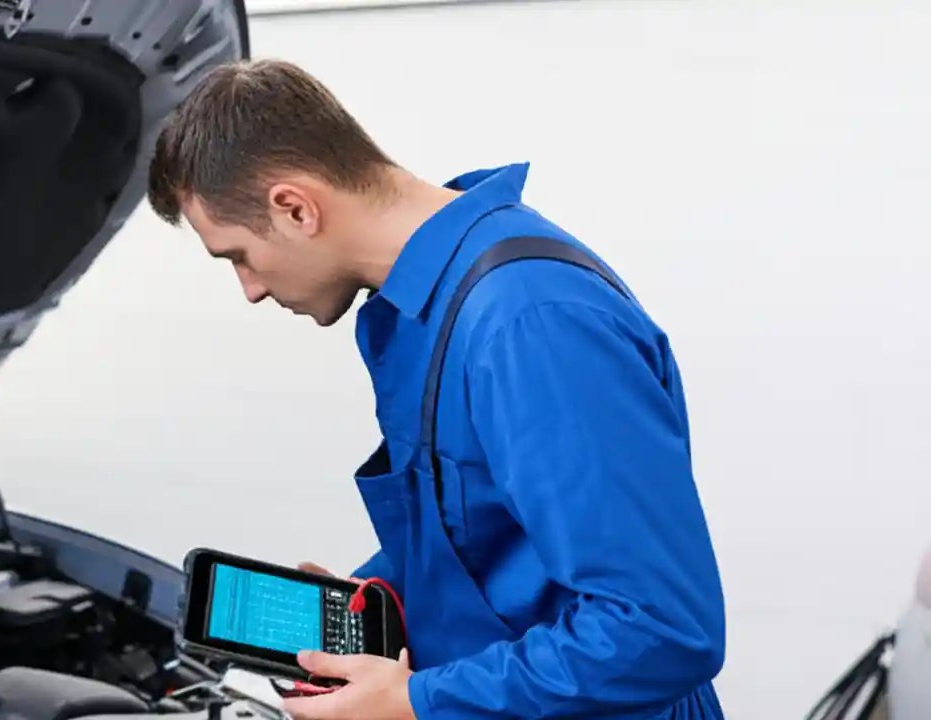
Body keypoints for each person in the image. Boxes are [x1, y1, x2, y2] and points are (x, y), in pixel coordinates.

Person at [147, 58, 726, 720]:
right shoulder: (428, 308)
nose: (249, 289)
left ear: (295, 208)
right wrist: (381, 597)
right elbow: (488, 535)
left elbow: (657, 630)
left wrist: (419, 701)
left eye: (238, 256)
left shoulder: (528, 321)